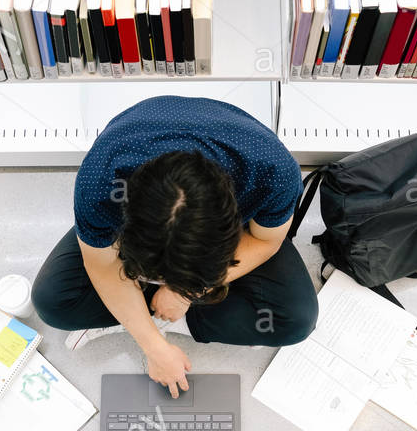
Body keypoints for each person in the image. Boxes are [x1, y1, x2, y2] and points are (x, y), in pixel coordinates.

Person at [31, 96, 318, 398]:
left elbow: (265, 240)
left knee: (297, 320)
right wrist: (154, 346)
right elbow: (103, 265)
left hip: (236, 217)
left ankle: (140, 317)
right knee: (53, 302)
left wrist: (185, 292)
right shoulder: (101, 181)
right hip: (133, 209)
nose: (161, 282)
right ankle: (149, 318)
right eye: (154, 276)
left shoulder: (272, 173)